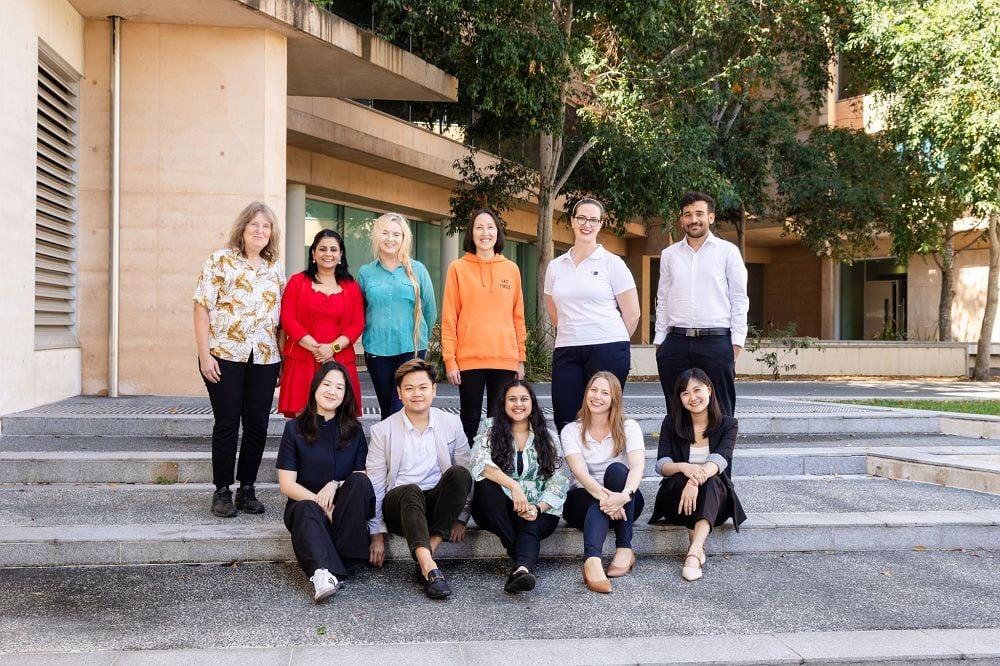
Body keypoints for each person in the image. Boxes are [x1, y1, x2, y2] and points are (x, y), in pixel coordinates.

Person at [193, 201, 284, 518]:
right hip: (224, 355)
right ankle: (222, 491)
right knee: (228, 422)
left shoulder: (275, 269)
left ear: (271, 233)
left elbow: (281, 319)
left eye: (266, 226)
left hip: (265, 357)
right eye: (254, 224)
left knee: (258, 425)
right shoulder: (220, 260)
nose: (260, 230)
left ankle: (247, 489)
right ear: (243, 228)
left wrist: (282, 359)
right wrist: (204, 355)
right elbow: (201, 307)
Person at [366, 359, 474, 599]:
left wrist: (461, 517)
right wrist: (377, 534)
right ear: (399, 393)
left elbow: (467, 471)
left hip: (435, 504)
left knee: (460, 473)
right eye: (409, 388)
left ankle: (425, 559)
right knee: (410, 490)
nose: (417, 394)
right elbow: (375, 484)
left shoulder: (451, 423)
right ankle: (429, 567)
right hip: (399, 506)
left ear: (434, 390)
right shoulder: (382, 430)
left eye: (423, 387)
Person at [276, 362, 376, 601]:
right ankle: (322, 573)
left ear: (345, 394)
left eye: (339, 387)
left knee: (359, 482)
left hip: (344, 512)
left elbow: (361, 475)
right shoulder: (294, 429)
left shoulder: (354, 431)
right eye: (327, 384)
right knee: (305, 508)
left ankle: (337, 559)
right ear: (315, 387)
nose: (332, 391)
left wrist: (335, 484)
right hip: (307, 507)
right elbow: (287, 485)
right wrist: (320, 504)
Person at [544, 197, 640, 433]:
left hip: (608, 347)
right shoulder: (556, 266)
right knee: (566, 420)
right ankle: (575, 460)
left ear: (600, 224)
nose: (587, 224)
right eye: (581, 218)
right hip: (567, 348)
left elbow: (632, 314)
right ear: (572, 221)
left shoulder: (613, 263)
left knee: (603, 418)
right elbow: (554, 312)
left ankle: (607, 459)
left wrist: (612, 341)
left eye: (593, 220)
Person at [654, 191, 749, 416]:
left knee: (721, 410)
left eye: (699, 213)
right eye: (687, 214)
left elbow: (739, 298)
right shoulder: (669, 255)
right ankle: (679, 443)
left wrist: (736, 342)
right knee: (677, 411)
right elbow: (663, 299)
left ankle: (721, 443)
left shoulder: (728, 252)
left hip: (716, 341)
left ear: (711, 217)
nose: (693, 219)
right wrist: (660, 341)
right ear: (681, 220)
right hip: (675, 342)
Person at [468, 379, 568, 593]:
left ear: (532, 403)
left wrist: (538, 508)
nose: (518, 404)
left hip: (539, 509)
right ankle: (521, 559)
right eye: (512, 399)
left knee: (529, 520)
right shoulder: (490, 430)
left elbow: (558, 481)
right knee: (485, 485)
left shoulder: (548, 437)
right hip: (499, 510)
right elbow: (479, 463)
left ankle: (521, 569)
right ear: (503, 403)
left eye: (524, 399)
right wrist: (514, 487)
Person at [649, 368, 747, 581]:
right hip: (677, 501)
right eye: (685, 393)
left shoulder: (728, 424)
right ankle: (696, 550)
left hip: (714, 503)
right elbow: (661, 465)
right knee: (680, 476)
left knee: (713, 481)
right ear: (680, 398)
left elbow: (720, 461)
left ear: (709, 389)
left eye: (697, 390)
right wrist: (684, 468)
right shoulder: (671, 422)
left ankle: (694, 551)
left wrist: (694, 481)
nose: (692, 397)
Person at [442, 208, 527, 443]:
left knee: (499, 420)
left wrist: (520, 358)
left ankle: (496, 464)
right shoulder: (457, 268)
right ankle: (468, 464)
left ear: (497, 232)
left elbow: (518, 317)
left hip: (504, 358)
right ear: (471, 233)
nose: (485, 233)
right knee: (469, 419)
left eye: (490, 227)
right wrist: (450, 360)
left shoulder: (511, 269)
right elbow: (449, 317)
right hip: (469, 359)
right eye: (479, 227)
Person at [561, 371, 645, 594]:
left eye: (605, 393)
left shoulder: (629, 427)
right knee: (594, 503)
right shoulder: (571, 431)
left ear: (614, 398)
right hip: (581, 501)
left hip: (626, 502)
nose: (597, 396)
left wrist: (623, 496)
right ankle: (592, 561)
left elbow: (637, 467)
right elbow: (580, 473)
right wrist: (607, 499)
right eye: (593, 390)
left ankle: (624, 548)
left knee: (617, 470)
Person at [357, 213, 437, 420]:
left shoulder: (418, 270)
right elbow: (359, 311)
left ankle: (403, 442)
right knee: (387, 409)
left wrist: (421, 339)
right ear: (377, 236)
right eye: (385, 233)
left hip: (411, 349)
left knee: (400, 407)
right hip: (377, 351)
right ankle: (389, 442)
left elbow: (430, 310)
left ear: (404, 238)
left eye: (396, 234)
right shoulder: (366, 273)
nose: (390, 239)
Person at [278, 229, 364, 418]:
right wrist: (318, 349)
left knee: (340, 420)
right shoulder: (297, 282)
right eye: (322, 249)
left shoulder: (352, 287)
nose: (328, 254)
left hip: (339, 358)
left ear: (340, 254)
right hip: (303, 360)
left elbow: (357, 324)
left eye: (333, 249)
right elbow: (288, 319)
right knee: (303, 421)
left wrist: (332, 348)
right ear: (313, 253)